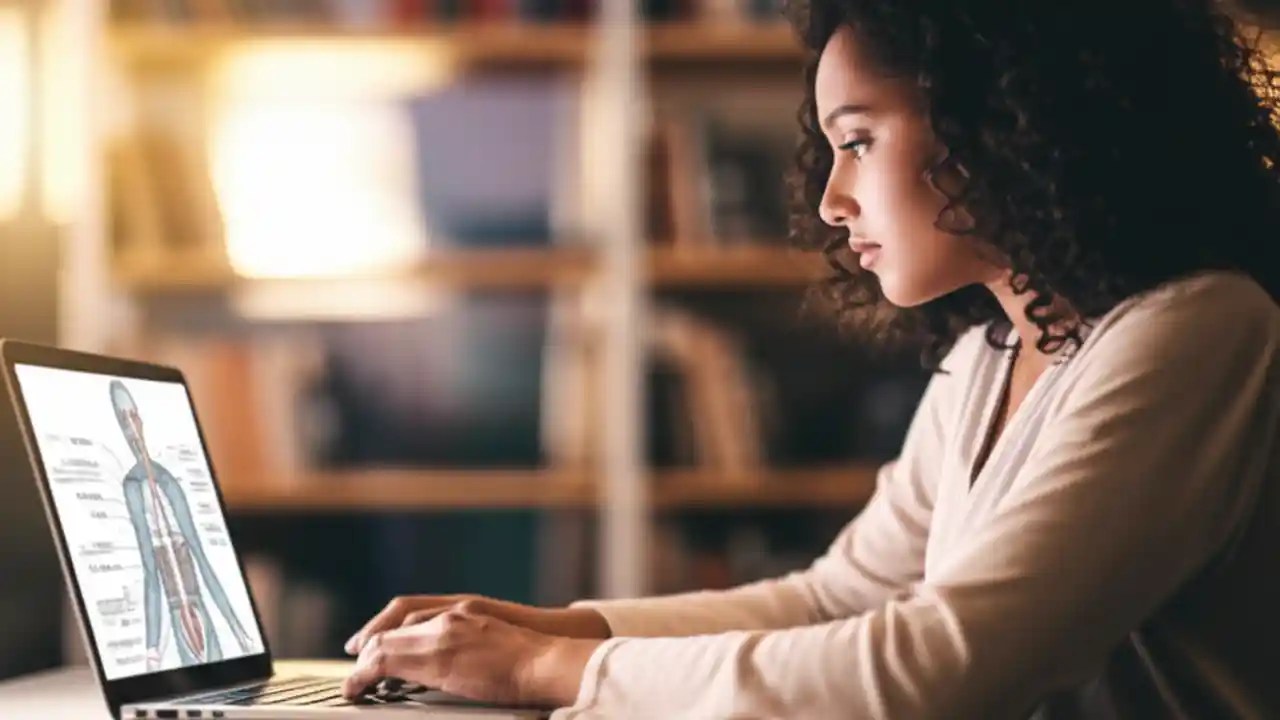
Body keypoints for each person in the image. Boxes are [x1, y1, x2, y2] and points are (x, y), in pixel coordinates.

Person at [341, 1, 1280, 716]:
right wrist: (546, 628)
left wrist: (548, 671)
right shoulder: (988, 357)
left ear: (1008, 125)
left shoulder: (1198, 328)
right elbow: (841, 597)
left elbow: (950, 669)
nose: (831, 199)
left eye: (860, 141)